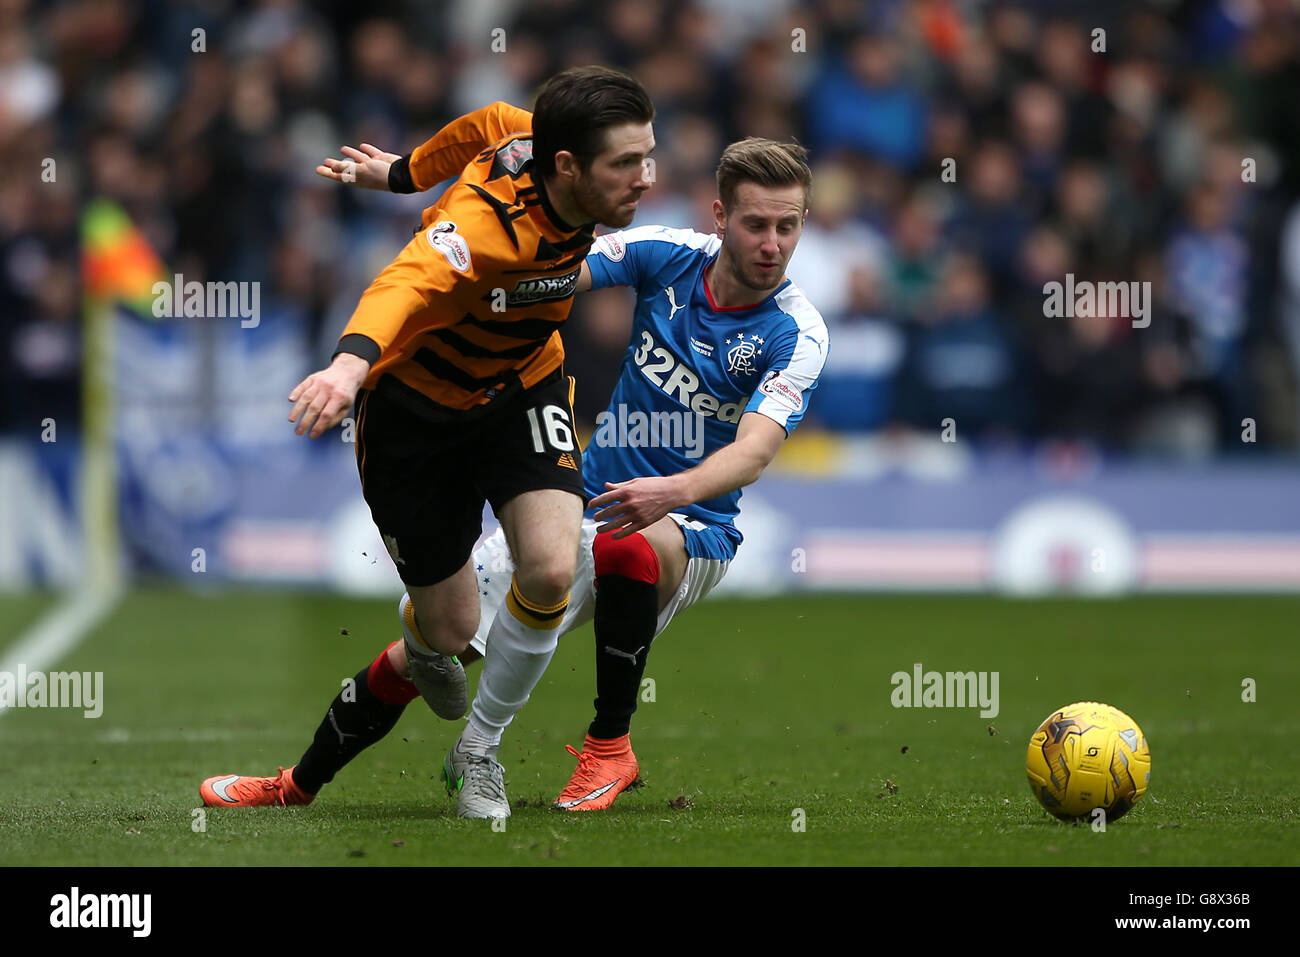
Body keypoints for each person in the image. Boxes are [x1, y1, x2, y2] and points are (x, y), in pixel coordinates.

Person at [200, 137, 828, 817]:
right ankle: (295, 784)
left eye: (787, 226)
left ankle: (599, 745)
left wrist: (672, 492)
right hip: (589, 503)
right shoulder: (670, 254)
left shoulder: (797, 331)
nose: (772, 242)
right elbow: (550, 273)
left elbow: (756, 450)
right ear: (720, 215)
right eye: (756, 223)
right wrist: (456, 256)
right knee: (431, 647)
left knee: (627, 546)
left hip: (690, 527)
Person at [256, 66, 655, 819]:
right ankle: (425, 638)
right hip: (414, 414)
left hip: (521, 388)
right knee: (452, 626)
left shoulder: (525, 132)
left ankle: (478, 750)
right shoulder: (478, 229)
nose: (645, 178)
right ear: (568, 166)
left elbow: (478, 126)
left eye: (647, 156)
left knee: (547, 567)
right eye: (626, 164)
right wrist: (347, 365)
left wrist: (402, 171)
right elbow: (402, 283)